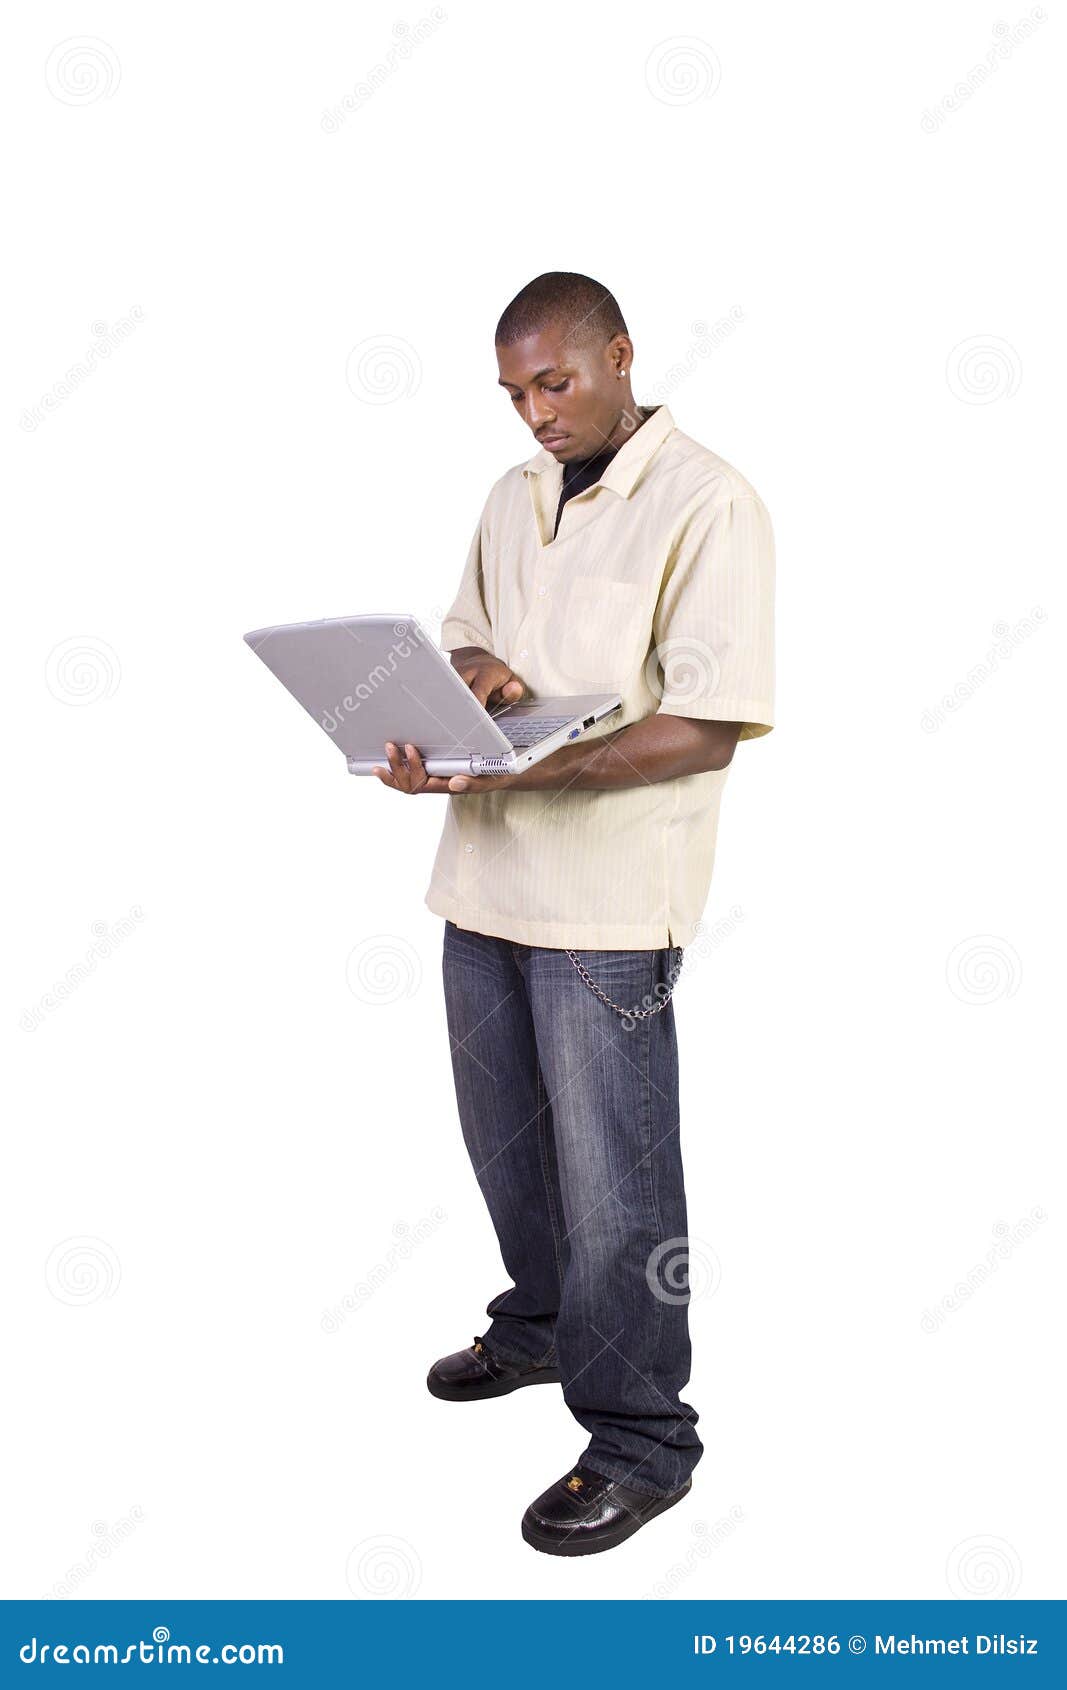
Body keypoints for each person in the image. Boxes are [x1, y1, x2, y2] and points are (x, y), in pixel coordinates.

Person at [372, 272, 775, 1556]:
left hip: (606, 897)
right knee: (502, 1139)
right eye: (511, 394)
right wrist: (473, 680)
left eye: (554, 383)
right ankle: (542, 1325)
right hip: (482, 876)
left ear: (619, 355)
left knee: (615, 1181)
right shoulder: (511, 498)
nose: (533, 414)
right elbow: (465, 631)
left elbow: (704, 723)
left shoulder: (708, 501)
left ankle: (642, 1439)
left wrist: (541, 763)